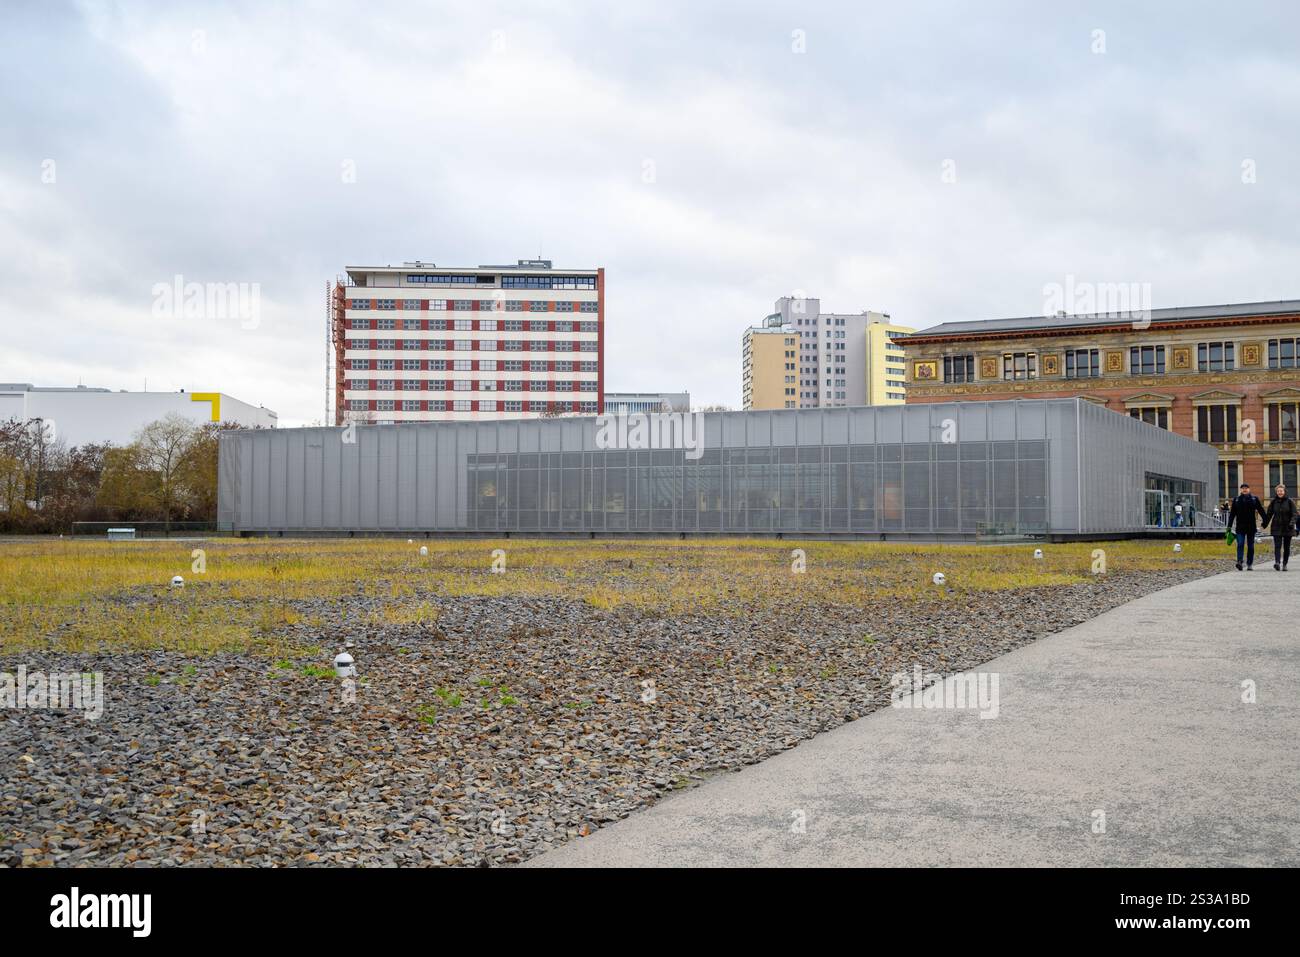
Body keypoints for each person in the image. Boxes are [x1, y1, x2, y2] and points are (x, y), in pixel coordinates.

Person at [1228, 482, 1266, 571]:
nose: (1244, 489)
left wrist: (1265, 521)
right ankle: (1239, 561)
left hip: (1251, 527)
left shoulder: (1254, 499)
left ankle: (1249, 563)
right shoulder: (1236, 500)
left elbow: (1261, 510)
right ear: (1241, 490)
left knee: (1251, 546)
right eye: (1243, 488)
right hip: (1240, 527)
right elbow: (1232, 514)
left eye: (1246, 488)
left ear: (1249, 489)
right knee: (1240, 544)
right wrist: (1229, 526)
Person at [1262, 484, 1297, 571]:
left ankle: (1285, 564)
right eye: (1278, 491)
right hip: (1276, 527)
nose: (1280, 492)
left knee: (1286, 547)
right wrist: (1265, 524)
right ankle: (1277, 562)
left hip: (1288, 527)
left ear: (1284, 491)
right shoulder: (1273, 502)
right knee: (1277, 546)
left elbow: (1295, 514)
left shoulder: (1290, 502)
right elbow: (1269, 514)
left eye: (1281, 491)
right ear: (1276, 492)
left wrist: (1291, 523)